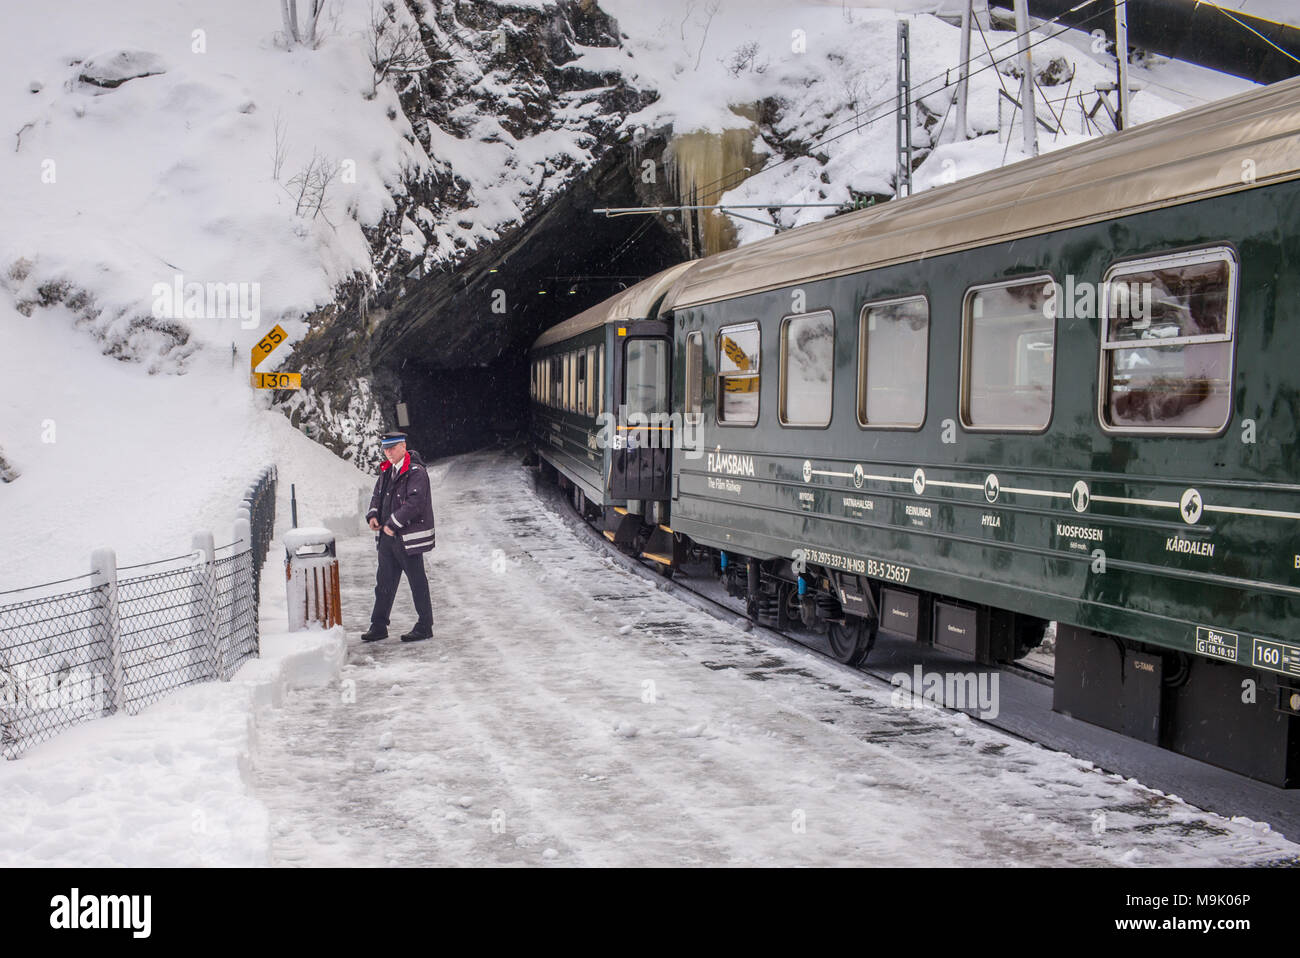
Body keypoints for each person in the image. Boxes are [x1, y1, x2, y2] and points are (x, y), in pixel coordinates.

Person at [360, 431, 436, 642]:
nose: (388, 453)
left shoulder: (416, 472)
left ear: (403, 446)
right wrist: (373, 514)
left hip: (407, 538)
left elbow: (415, 503)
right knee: (383, 583)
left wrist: (393, 523)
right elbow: (377, 495)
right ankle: (378, 625)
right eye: (385, 449)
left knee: (417, 582)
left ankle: (425, 625)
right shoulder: (387, 471)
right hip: (388, 539)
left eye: (392, 448)